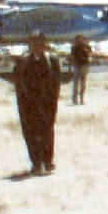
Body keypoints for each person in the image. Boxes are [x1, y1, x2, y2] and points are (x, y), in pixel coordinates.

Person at [14, 31, 60, 175]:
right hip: (29, 103)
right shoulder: (23, 61)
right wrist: (24, 100)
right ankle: (36, 163)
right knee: (31, 133)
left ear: (45, 44)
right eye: (34, 43)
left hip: (47, 102)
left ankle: (48, 161)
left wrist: (52, 98)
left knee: (47, 131)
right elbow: (18, 81)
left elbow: (57, 81)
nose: (37, 46)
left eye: (40, 42)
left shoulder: (52, 60)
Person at [70, 34, 91, 104]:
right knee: (76, 83)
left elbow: (89, 55)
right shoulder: (74, 47)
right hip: (78, 66)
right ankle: (75, 99)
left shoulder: (87, 47)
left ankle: (81, 99)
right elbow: (72, 57)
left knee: (82, 84)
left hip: (84, 65)